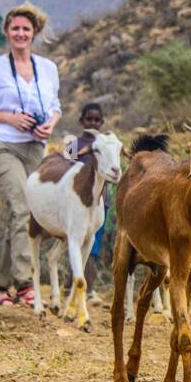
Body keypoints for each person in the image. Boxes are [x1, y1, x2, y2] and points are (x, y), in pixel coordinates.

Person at [0, 3, 61, 306]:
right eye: (15, 28)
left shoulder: (47, 68)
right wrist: (11, 118)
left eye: (26, 28)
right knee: (21, 207)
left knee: (28, 214)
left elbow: (55, 106)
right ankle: (25, 285)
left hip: (36, 147)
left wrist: (51, 124)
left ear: (34, 32)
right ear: (7, 32)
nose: (20, 33)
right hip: (3, 146)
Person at [79, 101, 111, 302]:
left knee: (93, 248)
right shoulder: (75, 146)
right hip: (77, 205)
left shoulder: (106, 146)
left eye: (97, 120)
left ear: (102, 122)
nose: (93, 122)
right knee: (74, 246)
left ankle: (90, 291)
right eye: (89, 119)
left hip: (101, 205)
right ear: (81, 121)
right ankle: (71, 288)